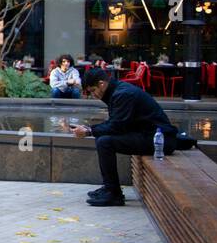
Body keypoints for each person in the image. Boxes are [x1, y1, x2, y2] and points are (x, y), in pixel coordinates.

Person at [67, 67, 178, 207]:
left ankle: (114, 194)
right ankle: (109, 188)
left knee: (104, 142)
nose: (93, 95)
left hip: (159, 140)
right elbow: (118, 123)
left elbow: (116, 127)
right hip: (148, 135)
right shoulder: (115, 91)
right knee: (103, 139)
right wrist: (92, 130)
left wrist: (89, 131)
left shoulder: (122, 94)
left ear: (101, 84)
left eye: (92, 90)